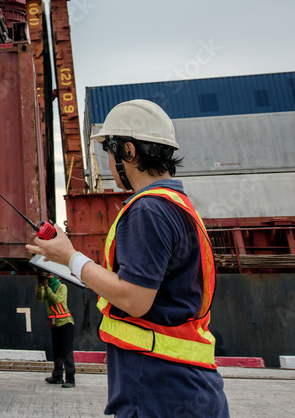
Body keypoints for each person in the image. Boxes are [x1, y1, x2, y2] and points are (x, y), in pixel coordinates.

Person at [27, 99, 229, 417]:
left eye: (109, 154)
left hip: (158, 388)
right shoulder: (179, 206)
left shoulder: (148, 209)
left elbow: (135, 300)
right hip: (185, 384)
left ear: (129, 152)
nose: (108, 165)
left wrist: (68, 257)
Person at [36, 271, 76, 388]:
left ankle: (70, 379)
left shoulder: (62, 287)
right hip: (55, 323)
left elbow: (56, 300)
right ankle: (57, 377)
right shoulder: (46, 286)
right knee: (57, 351)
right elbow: (39, 298)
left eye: (51, 274)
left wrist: (46, 287)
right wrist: (39, 285)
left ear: (58, 276)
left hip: (66, 323)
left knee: (67, 352)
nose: (49, 275)